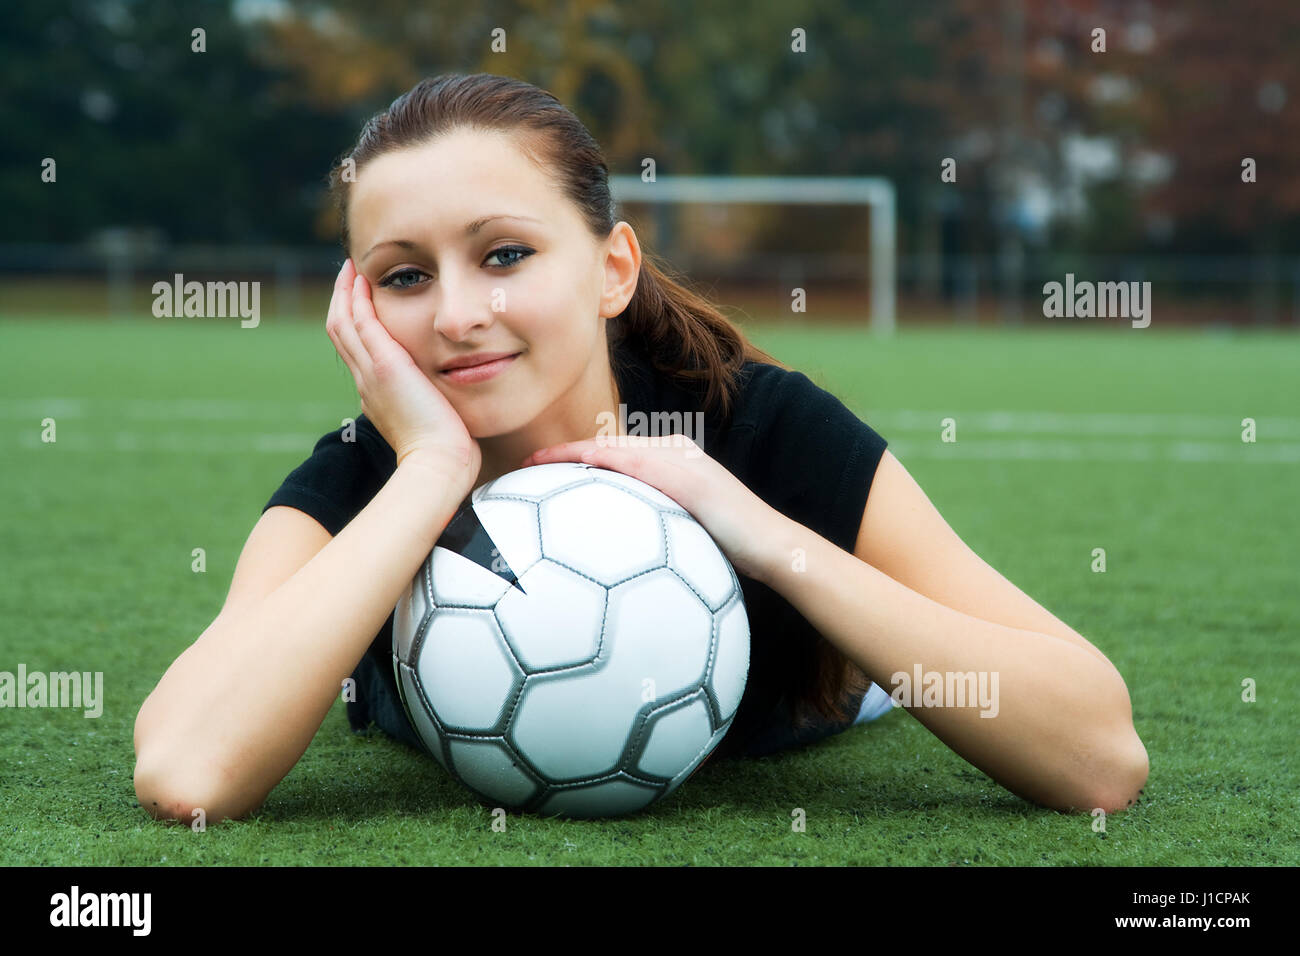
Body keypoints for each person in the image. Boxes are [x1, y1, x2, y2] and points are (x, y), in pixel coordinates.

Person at [133, 73, 1147, 824]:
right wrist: (428, 475)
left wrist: (758, 530)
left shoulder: (758, 428)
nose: (455, 313)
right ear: (358, 305)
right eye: (402, 276)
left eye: (504, 254)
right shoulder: (358, 478)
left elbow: (1100, 753)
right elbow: (186, 767)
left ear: (612, 268)